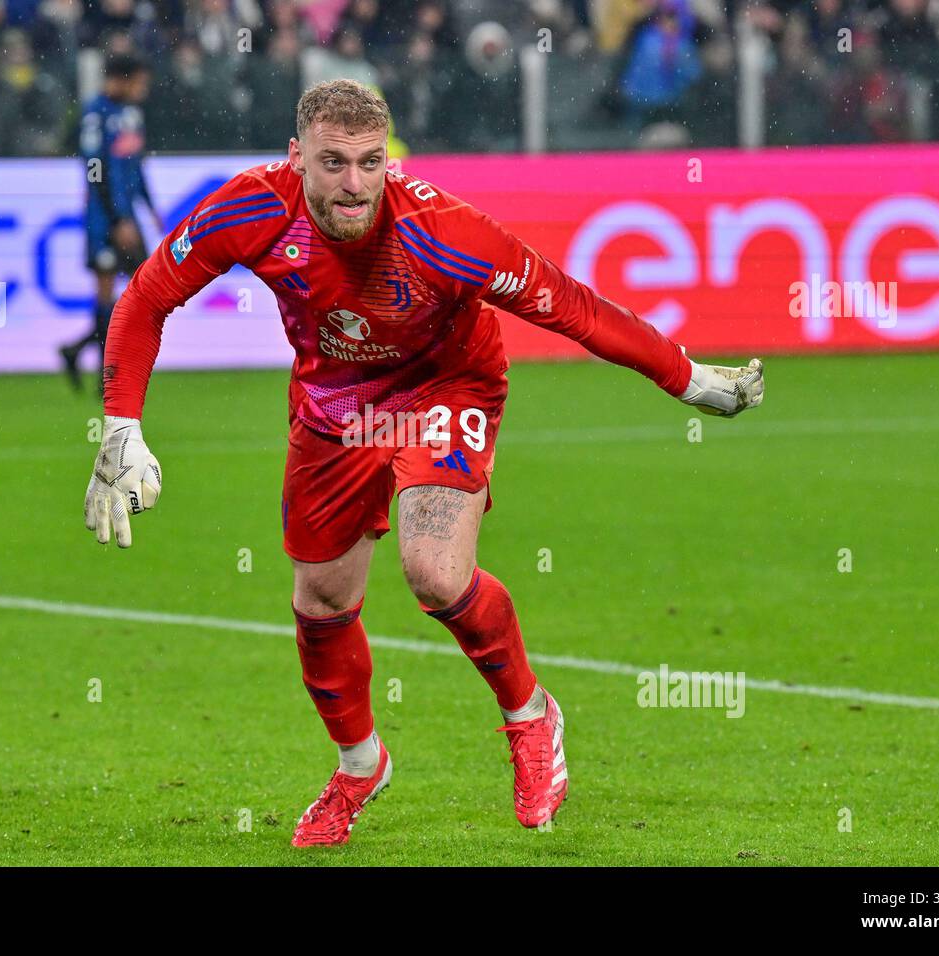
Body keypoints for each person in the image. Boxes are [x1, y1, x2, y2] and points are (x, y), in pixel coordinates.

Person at [82, 79, 765, 846]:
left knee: (434, 570)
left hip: (445, 386)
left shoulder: (444, 232)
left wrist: (690, 378)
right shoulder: (250, 209)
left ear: (388, 158)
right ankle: (359, 764)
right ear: (295, 157)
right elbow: (145, 300)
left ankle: (530, 717)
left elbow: (573, 307)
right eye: (333, 162)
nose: (353, 184)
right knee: (319, 602)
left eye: (370, 163)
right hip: (332, 407)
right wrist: (121, 428)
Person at [60, 50, 160, 393]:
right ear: (122, 80)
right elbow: (95, 173)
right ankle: (109, 375)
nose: (144, 90)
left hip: (128, 216)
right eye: (140, 83)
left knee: (147, 291)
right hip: (104, 220)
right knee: (107, 290)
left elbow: (136, 166)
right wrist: (118, 220)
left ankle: (81, 352)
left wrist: (149, 208)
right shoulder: (95, 114)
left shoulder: (132, 114)